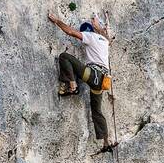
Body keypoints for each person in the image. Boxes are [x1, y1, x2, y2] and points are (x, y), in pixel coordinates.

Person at [48, 11, 115, 149]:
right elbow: (107, 36)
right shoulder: (105, 41)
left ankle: (72, 87)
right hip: (102, 82)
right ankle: (106, 142)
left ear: (86, 32)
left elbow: (71, 32)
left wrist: (57, 21)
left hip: (94, 75)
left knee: (64, 57)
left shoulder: (89, 36)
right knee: (96, 110)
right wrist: (98, 26)